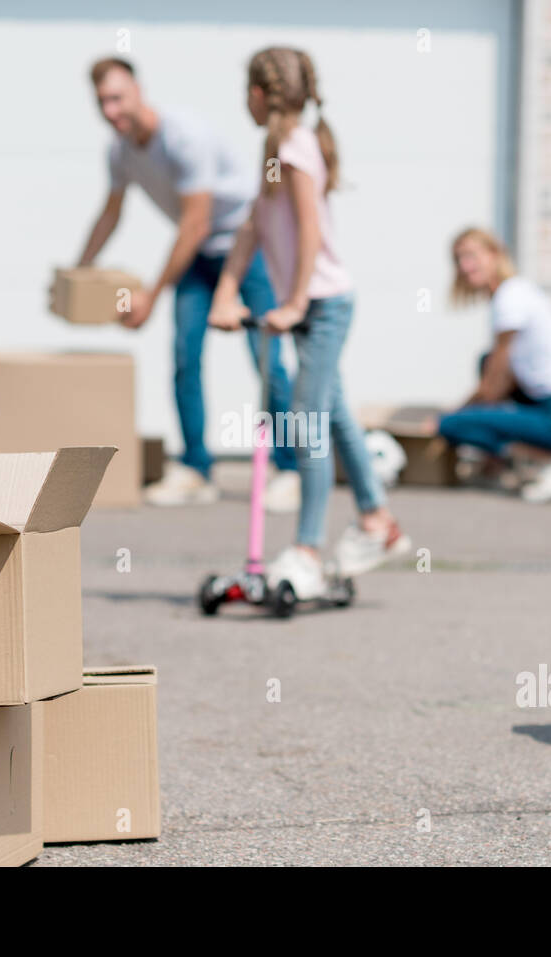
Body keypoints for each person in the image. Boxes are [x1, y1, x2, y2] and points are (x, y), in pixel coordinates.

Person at [209, 47, 408, 599]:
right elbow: (252, 226)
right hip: (310, 305)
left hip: (324, 304)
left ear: (256, 95)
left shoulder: (296, 149)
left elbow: (311, 227)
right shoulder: (275, 148)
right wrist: (225, 293)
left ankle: (308, 550)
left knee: (306, 418)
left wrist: (294, 301)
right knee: (335, 412)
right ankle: (376, 523)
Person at [76, 57, 300, 510]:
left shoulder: (184, 138)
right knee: (184, 356)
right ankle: (197, 469)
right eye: (102, 102)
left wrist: (150, 298)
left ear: (138, 89)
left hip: (245, 243)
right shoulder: (119, 150)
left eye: (117, 98)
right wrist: (78, 274)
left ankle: (291, 468)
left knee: (267, 359)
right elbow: (111, 211)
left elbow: (195, 224)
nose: (111, 111)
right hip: (199, 257)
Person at [439, 228, 551, 503]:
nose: (465, 267)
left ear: (494, 254)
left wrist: (446, 418)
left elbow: (491, 388)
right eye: (458, 260)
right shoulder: (519, 293)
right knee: (485, 361)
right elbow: (498, 375)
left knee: (452, 427)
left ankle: (548, 458)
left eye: (471, 256)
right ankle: (524, 461)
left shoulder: (510, 297)